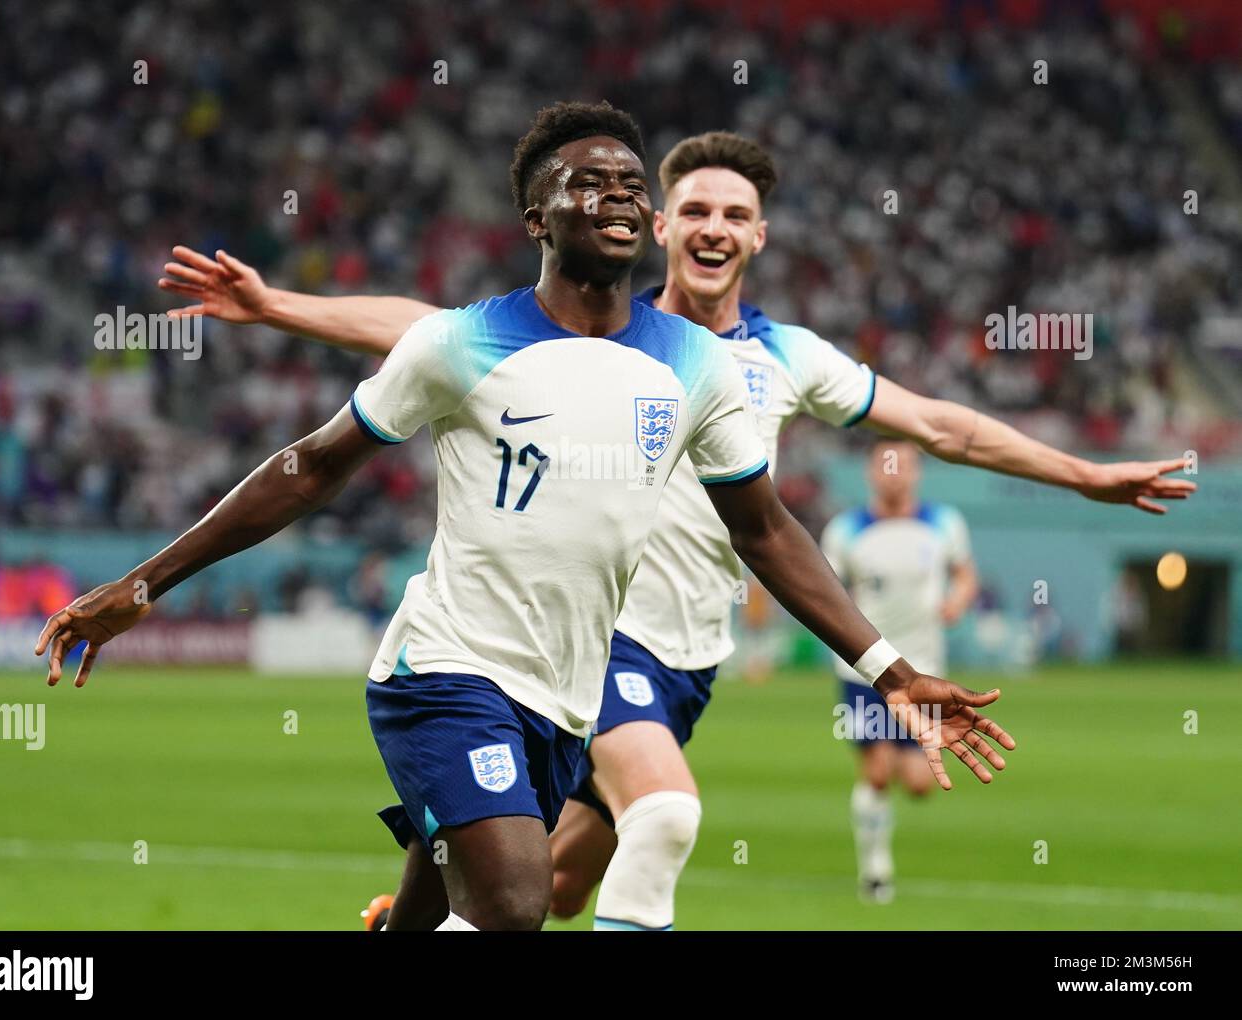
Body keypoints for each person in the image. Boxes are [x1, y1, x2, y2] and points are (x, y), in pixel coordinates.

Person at [157, 127, 1196, 931]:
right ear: (661, 228)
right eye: (693, 207)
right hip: (610, 646)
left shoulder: (782, 359)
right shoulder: (581, 330)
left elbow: (939, 427)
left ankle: (432, 918)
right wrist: (278, 305)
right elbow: (423, 329)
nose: (713, 226)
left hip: (685, 664)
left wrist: (1083, 475)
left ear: (758, 237)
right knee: (664, 817)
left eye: (735, 213)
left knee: (554, 889)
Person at [822, 439, 979, 903]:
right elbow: (824, 590)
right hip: (864, 669)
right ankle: (875, 870)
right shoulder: (846, 530)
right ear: (870, 473)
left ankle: (880, 827)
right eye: (886, 465)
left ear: (917, 473)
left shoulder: (944, 524)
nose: (894, 472)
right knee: (876, 771)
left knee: (918, 783)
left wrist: (957, 601)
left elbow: (965, 574)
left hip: (922, 670)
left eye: (904, 465)